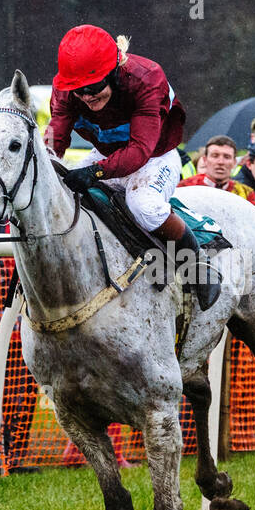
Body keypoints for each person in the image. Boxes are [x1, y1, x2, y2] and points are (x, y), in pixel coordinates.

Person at [47, 25, 218, 310]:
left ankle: (199, 269)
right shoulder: (66, 92)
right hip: (105, 154)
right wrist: (49, 165)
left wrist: (94, 173)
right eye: (78, 91)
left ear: (114, 72)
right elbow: (56, 137)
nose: (87, 97)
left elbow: (139, 151)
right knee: (62, 197)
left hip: (155, 157)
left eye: (93, 88)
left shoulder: (147, 79)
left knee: (144, 206)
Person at [178, 135, 255, 205]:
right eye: (215, 156)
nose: (221, 162)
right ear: (205, 160)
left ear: (234, 162)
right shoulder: (186, 187)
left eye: (227, 157)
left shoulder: (246, 193)